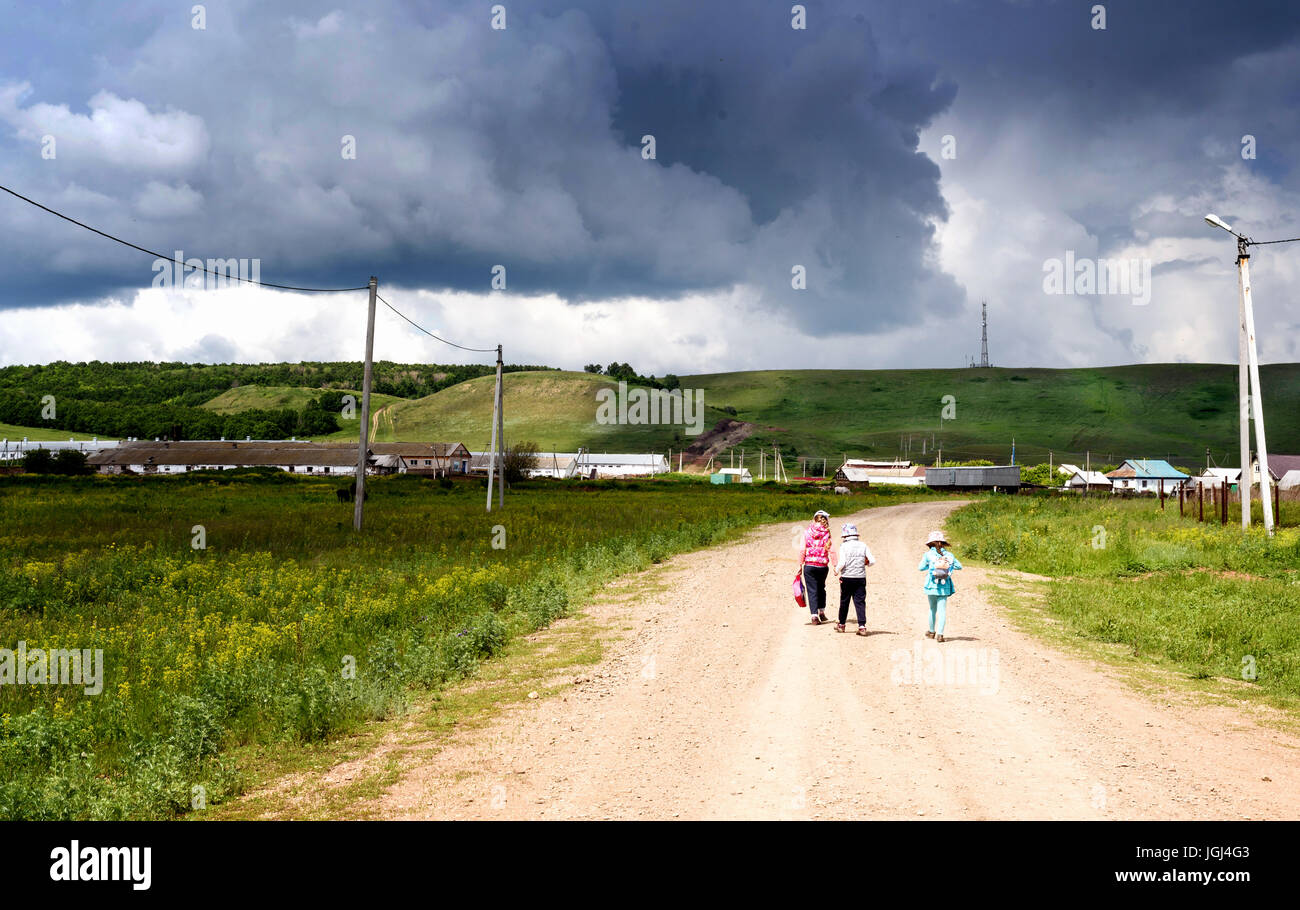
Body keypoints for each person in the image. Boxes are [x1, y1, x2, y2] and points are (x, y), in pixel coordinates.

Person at [918, 530, 962, 642]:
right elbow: (959, 566)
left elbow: (920, 567)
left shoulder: (928, 555)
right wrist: (948, 568)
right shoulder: (949, 555)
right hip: (944, 585)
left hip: (931, 585)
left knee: (932, 609)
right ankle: (940, 635)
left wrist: (930, 566)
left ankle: (932, 632)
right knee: (942, 610)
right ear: (942, 543)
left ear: (930, 543)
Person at [831, 523, 875, 635]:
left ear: (845, 536)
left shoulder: (843, 546)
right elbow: (872, 561)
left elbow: (842, 562)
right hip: (860, 578)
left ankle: (841, 625)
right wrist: (865, 564)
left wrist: (836, 570)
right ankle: (862, 626)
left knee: (844, 601)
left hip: (847, 578)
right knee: (860, 602)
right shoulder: (863, 545)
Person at [798, 510, 833, 625]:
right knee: (821, 588)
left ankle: (814, 616)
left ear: (813, 519)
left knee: (812, 590)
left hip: (809, 566)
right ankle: (821, 611)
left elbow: (802, 550)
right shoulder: (827, 532)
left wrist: (799, 565)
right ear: (825, 521)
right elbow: (831, 550)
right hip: (822, 566)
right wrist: (836, 565)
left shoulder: (806, 532)